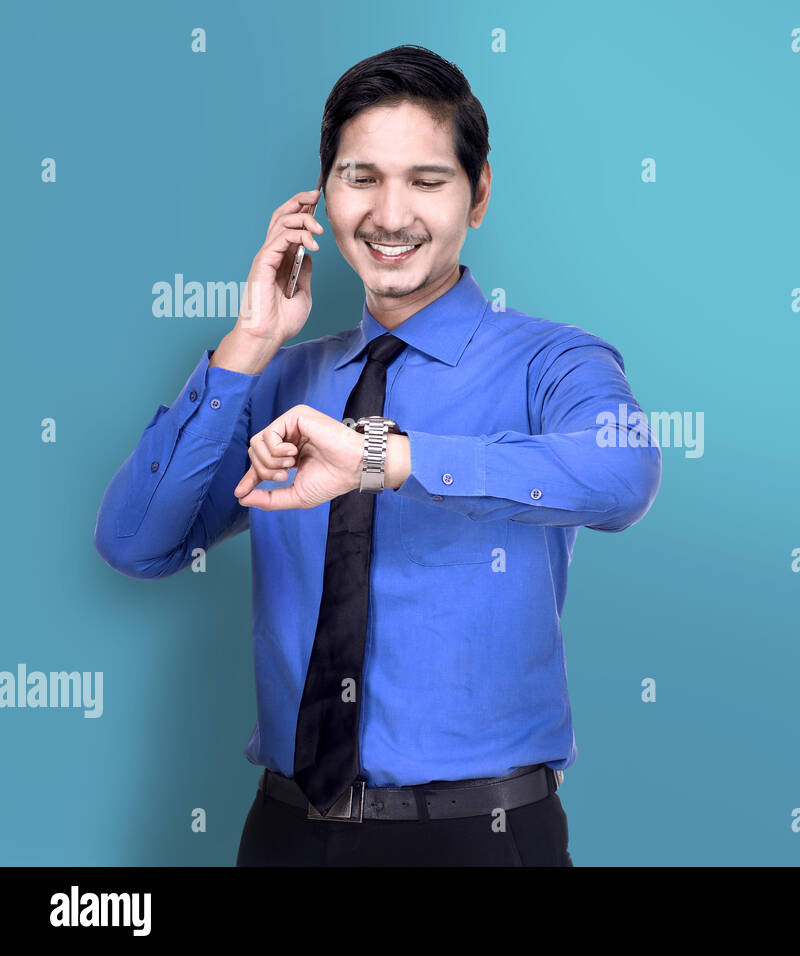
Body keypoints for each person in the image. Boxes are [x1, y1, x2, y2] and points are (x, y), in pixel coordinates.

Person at [93, 44, 660, 866]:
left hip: (483, 840)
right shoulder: (281, 377)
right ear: (324, 194)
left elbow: (625, 475)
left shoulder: (553, 362)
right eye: (361, 178)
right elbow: (136, 543)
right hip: (287, 834)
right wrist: (248, 343)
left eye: (427, 181)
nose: (390, 216)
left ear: (480, 193)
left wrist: (385, 458)